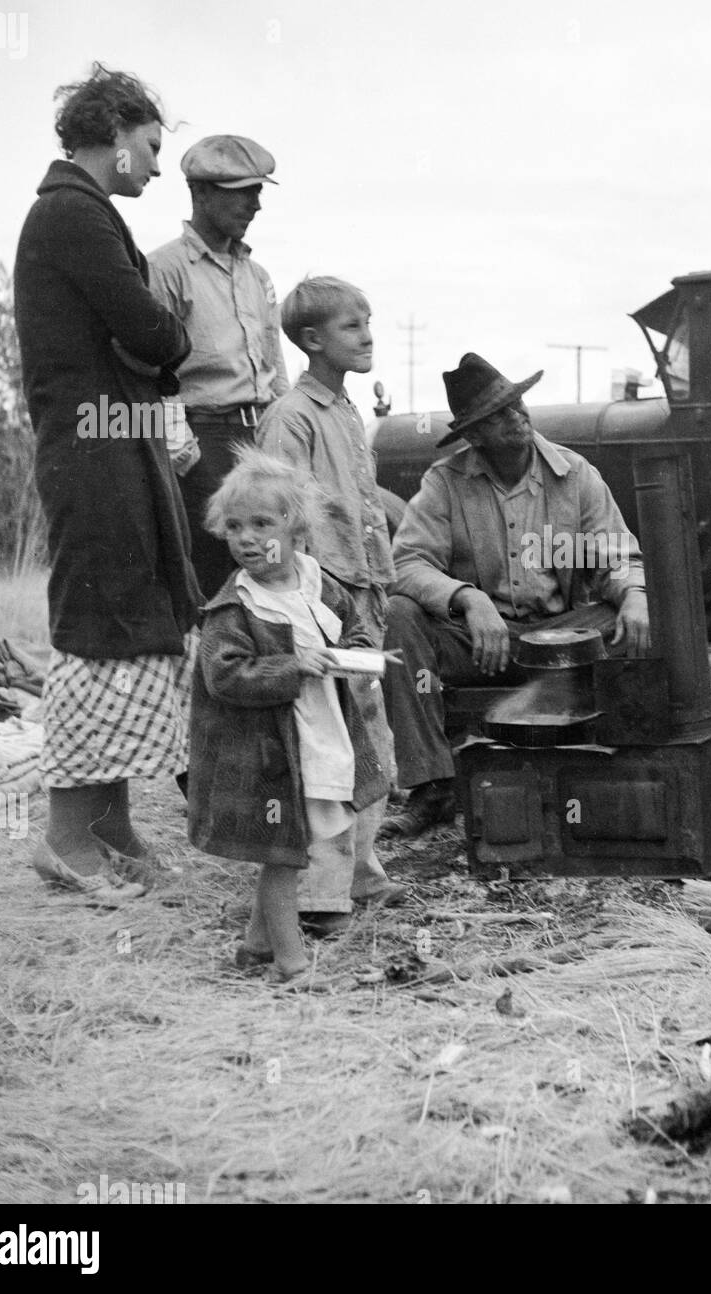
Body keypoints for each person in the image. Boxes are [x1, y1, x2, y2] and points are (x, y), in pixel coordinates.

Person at [14, 62, 198, 903]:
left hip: (114, 442)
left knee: (135, 609)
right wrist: (156, 342)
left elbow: (150, 351)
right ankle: (64, 834)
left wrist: (150, 351)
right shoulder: (70, 216)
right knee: (98, 624)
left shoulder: (84, 215)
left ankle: (108, 820)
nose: (158, 167)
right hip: (93, 452)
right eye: (152, 147)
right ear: (114, 134)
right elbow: (158, 337)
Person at [382, 352, 651, 836]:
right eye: (498, 414)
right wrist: (469, 599)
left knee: (629, 614)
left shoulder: (575, 473)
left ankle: (615, 764)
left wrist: (634, 592)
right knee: (399, 616)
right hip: (480, 642)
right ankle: (433, 786)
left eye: (517, 403)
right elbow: (405, 563)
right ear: (474, 435)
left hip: (559, 641)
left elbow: (616, 556)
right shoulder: (444, 482)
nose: (517, 417)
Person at [186, 450, 389, 987]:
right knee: (285, 854)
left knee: (292, 842)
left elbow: (356, 630)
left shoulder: (319, 583)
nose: (246, 538)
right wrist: (292, 666)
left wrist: (363, 657)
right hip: (268, 752)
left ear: (296, 527)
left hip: (319, 738)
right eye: (233, 527)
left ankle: (255, 945)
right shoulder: (235, 608)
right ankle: (291, 963)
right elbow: (224, 676)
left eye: (261, 524)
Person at [255, 277, 406, 936]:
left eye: (369, 321)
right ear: (312, 340)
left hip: (363, 591)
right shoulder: (293, 416)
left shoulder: (346, 411)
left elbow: (360, 504)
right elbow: (279, 514)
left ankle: (361, 873)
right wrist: (307, 604)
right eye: (353, 325)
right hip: (324, 599)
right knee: (327, 744)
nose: (368, 334)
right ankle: (318, 897)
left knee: (368, 733)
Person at [147, 134, 289, 598]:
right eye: (243, 192)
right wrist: (184, 454)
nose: (255, 205)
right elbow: (148, 374)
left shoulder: (257, 275)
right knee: (212, 576)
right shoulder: (165, 269)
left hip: (260, 439)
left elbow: (275, 367)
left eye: (258, 192)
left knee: (273, 574)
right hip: (201, 439)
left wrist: (283, 441)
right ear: (201, 193)